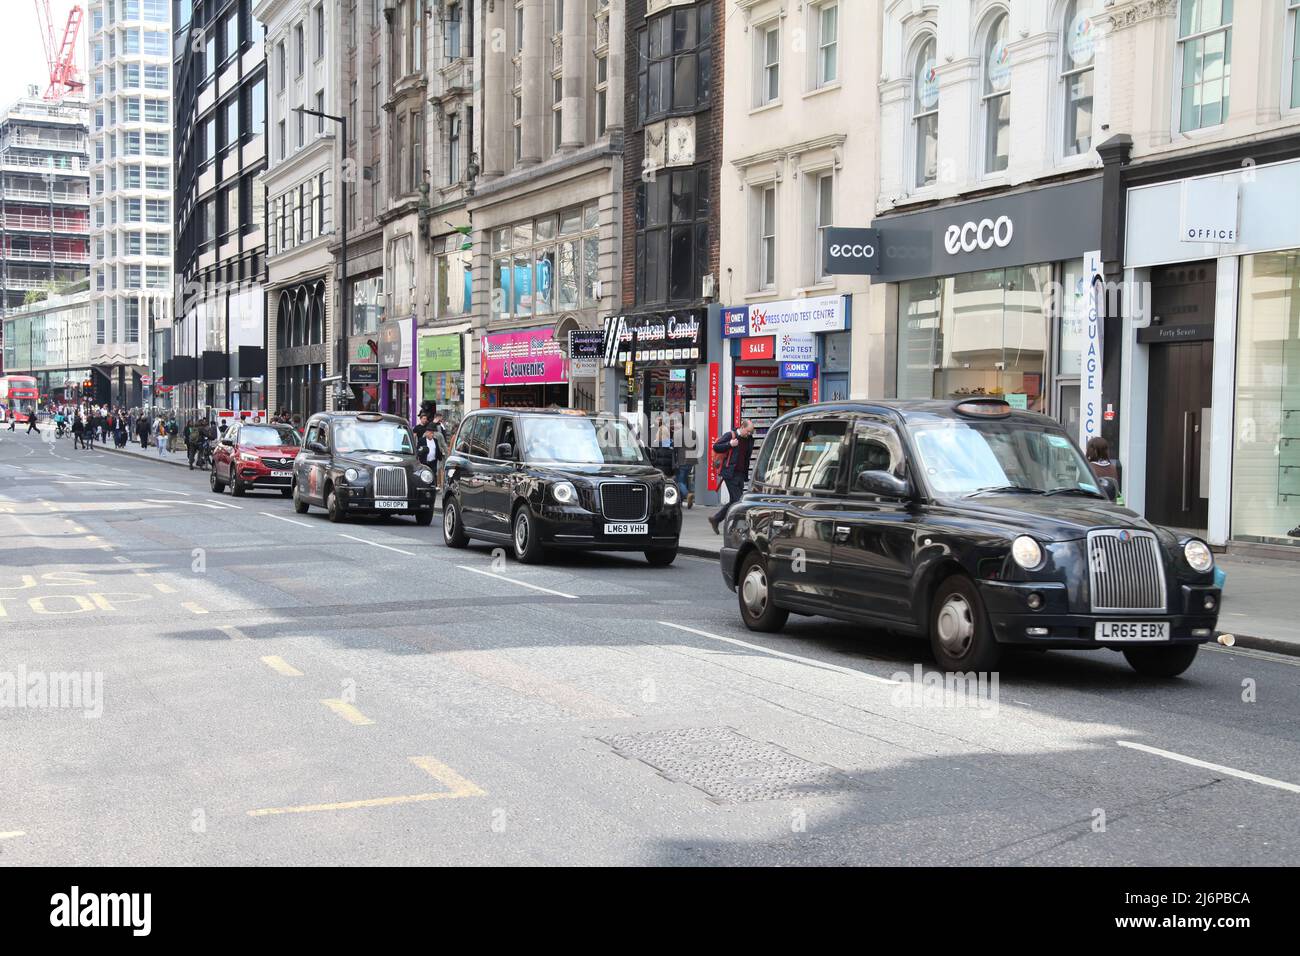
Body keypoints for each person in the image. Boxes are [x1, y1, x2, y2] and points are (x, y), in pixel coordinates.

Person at [708, 420, 756, 534]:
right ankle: (735, 527)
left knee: (735, 501)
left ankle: (717, 519)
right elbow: (716, 447)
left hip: (740, 473)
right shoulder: (731, 435)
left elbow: (746, 457)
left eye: (751, 432)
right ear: (742, 427)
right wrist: (729, 444)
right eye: (748, 431)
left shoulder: (749, 439)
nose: (749, 434)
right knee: (738, 501)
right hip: (730, 473)